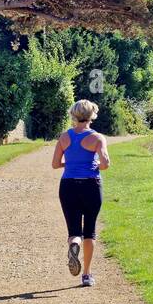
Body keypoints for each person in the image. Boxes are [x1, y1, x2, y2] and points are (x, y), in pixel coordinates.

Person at [52, 99, 110, 287]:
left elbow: (54, 164)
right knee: (90, 230)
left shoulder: (64, 137)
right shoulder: (97, 138)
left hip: (68, 186)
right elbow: (105, 164)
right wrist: (94, 164)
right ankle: (86, 274)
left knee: (74, 230)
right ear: (92, 115)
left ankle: (73, 245)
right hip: (91, 186)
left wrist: (69, 164)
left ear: (74, 115)